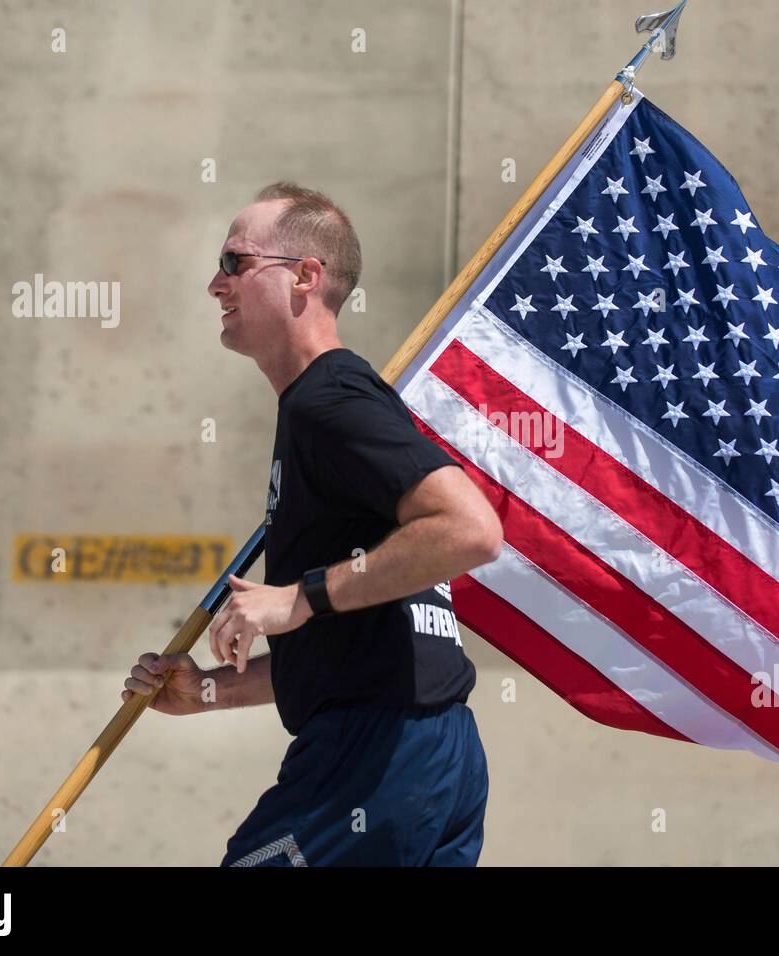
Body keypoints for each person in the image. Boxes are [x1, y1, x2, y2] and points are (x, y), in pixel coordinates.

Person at [121, 182, 503, 866]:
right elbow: (352, 647)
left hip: (378, 756)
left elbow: (471, 529)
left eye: (235, 262)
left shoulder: (329, 399)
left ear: (305, 276)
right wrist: (208, 690)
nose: (216, 283)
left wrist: (297, 596)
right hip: (429, 754)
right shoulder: (323, 406)